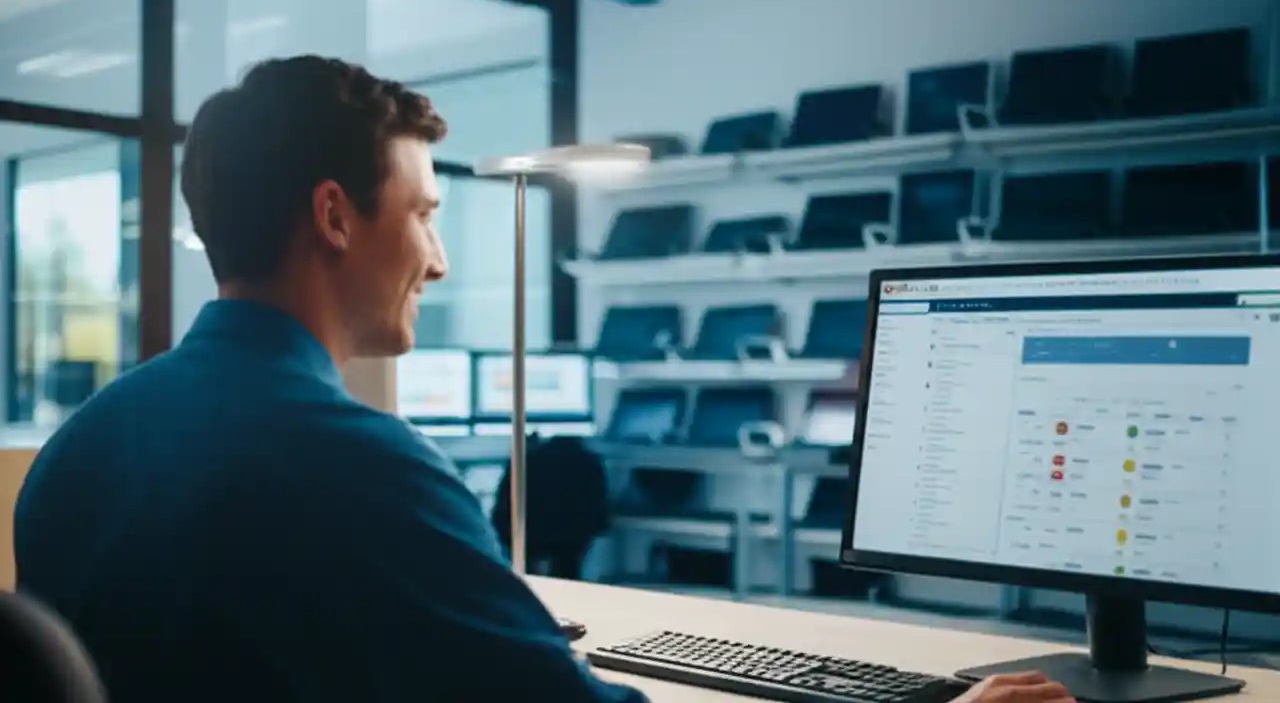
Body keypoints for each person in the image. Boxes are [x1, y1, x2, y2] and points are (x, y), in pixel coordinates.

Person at [12, 56, 1073, 703]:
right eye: (425, 214)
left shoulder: (78, 452)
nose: (437, 259)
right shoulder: (360, 469)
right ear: (336, 217)